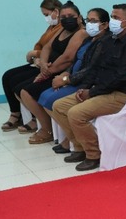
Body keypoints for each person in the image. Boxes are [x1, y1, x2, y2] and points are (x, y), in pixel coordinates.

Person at [51, 4, 126, 171]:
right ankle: (79, 147)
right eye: (112, 17)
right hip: (101, 90)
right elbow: (95, 68)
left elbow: (120, 78)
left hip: (121, 95)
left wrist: (92, 92)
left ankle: (93, 154)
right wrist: (85, 88)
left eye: (116, 18)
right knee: (59, 106)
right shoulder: (111, 40)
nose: (112, 21)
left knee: (76, 114)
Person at [42, 8, 110, 153]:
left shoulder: (105, 42)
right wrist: (64, 74)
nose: (89, 24)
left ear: (105, 24)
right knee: (44, 96)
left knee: (53, 102)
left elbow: (90, 69)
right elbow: (76, 61)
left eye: (94, 21)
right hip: (73, 77)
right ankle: (73, 139)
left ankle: (74, 142)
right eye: (88, 20)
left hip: (84, 83)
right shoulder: (89, 40)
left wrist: (66, 80)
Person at [18, 2, 87, 145]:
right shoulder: (61, 30)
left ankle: (47, 129)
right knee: (19, 87)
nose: (67, 19)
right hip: (49, 69)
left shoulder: (81, 33)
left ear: (79, 17)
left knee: (28, 92)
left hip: (62, 72)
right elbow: (46, 48)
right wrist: (43, 64)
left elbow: (67, 58)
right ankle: (43, 125)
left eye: (71, 16)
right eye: (63, 17)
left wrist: (46, 73)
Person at [0, 0, 64, 132]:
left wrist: (35, 53)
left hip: (49, 64)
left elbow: (53, 50)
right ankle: (15, 114)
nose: (46, 18)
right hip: (39, 61)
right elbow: (40, 45)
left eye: (47, 14)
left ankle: (35, 119)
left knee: (17, 82)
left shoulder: (62, 28)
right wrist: (36, 57)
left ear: (56, 11)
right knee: (7, 76)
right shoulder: (51, 28)